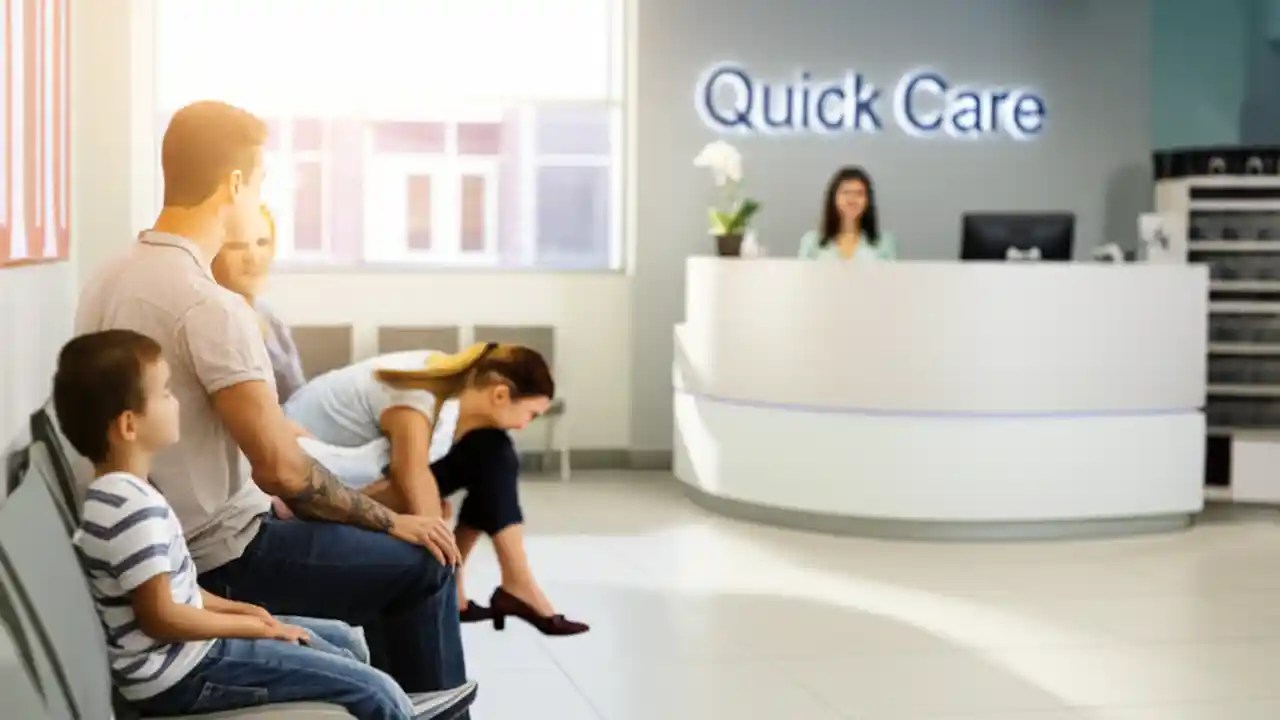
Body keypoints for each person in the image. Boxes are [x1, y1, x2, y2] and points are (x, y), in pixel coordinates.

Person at [74, 101, 471, 704]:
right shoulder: (207, 303)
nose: (259, 196)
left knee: (382, 542)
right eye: (258, 182)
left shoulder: (108, 276)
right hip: (220, 555)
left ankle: (405, 706)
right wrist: (397, 521)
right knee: (425, 566)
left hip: (162, 544)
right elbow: (283, 469)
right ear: (234, 184)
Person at [53, 330, 476, 719]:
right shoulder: (129, 507)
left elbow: (180, 589)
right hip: (183, 674)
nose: (176, 400)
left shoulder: (128, 493)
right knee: (374, 689)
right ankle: (394, 706)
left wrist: (247, 611)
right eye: (165, 392)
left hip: (190, 655)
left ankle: (397, 706)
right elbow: (161, 617)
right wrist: (250, 627)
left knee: (342, 640)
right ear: (129, 425)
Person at [282, 344, 589, 636]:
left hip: (343, 471)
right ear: (500, 394)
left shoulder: (444, 388)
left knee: (491, 453)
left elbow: (409, 471)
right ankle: (492, 589)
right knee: (480, 469)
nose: (524, 425)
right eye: (530, 415)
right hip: (299, 491)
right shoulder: (418, 397)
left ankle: (499, 587)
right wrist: (435, 532)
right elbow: (410, 471)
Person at [211, 204, 306, 402]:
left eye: (262, 242)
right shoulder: (214, 323)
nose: (253, 257)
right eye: (237, 245)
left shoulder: (269, 317)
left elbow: (299, 394)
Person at [797, 166, 898, 262]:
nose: (852, 200)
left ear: (868, 200)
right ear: (833, 198)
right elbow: (803, 278)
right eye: (846, 192)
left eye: (859, 193)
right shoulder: (811, 242)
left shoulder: (884, 242)